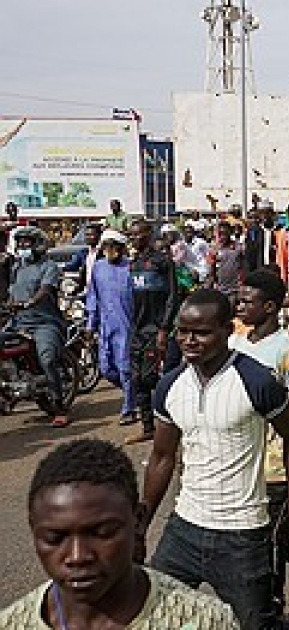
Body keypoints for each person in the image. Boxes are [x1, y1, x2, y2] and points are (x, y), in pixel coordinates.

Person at [141, 290, 289, 629]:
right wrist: (141, 522)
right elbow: (161, 457)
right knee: (154, 615)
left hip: (242, 537)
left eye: (201, 332)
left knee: (256, 624)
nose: (189, 340)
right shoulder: (170, 386)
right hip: (183, 530)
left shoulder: (257, 381)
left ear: (228, 331)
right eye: (183, 331)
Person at [0, 439, 240, 628]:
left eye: (102, 533)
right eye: (54, 538)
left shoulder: (203, 621)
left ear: (138, 520)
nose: (77, 556)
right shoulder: (13, 623)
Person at [229, 270, 289, 616]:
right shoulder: (233, 345)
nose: (240, 306)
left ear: (270, 307)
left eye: (248, 301)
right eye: (240, 299)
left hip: (274, 467)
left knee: (273, 547)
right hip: (240, 461)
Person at [125, 220, 182, 444]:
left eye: (138, 234)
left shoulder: (162, 262)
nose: (134, 238)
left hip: (156, 329)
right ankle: (147, 426)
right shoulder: (133, 264)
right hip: (137, 331)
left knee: (152, 378)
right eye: (131, 235)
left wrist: (164, 329)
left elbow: (172, 296)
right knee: (137, 378)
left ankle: (169, 424)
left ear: (148, 235)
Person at [7, 226, 69, 427]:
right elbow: (11, 292)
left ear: (38, 244)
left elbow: (45, 289)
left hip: (44, 323)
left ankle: (59, 407)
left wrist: (31, 301)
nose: (23, 245)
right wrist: (9, 303)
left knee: (48, 359)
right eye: (20, 242)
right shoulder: (17, 267)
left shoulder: (48, 266)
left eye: (27, 242)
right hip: (18, 322)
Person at [85, 230, 136, 425]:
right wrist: (91, 325)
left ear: (121, 248)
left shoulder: (131, 268)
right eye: (105, 246)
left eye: (113, 246)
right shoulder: (98, 268)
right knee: (106, 369)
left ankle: (129, 409)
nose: (109, 250)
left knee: (125, 368)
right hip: (106, 326)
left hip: (126, 326)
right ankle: (133, 393)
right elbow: (93, 298)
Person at [206, 221, 244, 305]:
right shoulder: (213, 249)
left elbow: (244, 267)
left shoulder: (239, 247)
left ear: (230, 232)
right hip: (219, 290)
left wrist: (242, 286)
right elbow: (211, 272)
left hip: (235, 289)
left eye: (225, 233)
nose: (222, 236)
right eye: (220, 233)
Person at [63, 223, 103, 295]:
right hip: (86, 291)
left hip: (101, 291)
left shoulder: (104, 253)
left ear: (99, 236)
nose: (88, 237)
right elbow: (72, 266)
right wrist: (57, 268)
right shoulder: (83, 252)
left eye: (91, 235)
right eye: (86, 235)